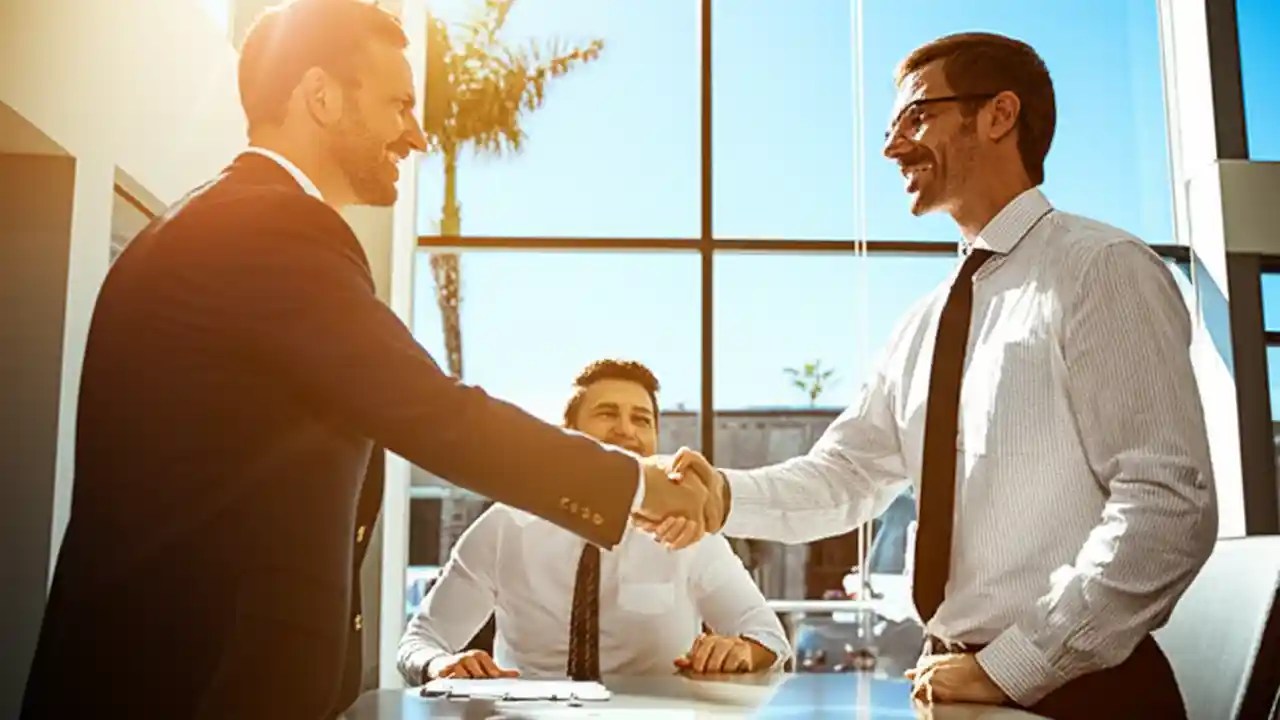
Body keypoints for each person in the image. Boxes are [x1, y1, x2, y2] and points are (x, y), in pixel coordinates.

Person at [19, 2, 714, 718]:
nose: (416, 134)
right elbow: (432, 412)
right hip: (192, 691)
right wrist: (638, 484)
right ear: (321, 96)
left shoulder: (205, 222)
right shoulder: (271, 227)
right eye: (399, 105)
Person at [648, 32, 1216, 720]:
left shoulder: (1102, 269)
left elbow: (1165, 505)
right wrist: (721, 495)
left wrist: (1012, 667)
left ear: (999, 115)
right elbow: (845, 477)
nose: (893, 147)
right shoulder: (924, 323)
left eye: (916, 117)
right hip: (951, 678)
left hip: (1082, 695)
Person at [397, 360, 791, 684]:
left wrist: (741, 651)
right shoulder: (504, 526)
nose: (626, 430)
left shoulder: (687, 533)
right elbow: (419, 642)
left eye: (642, 419)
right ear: (567, 436)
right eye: (607, 413)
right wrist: (440, 664)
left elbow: (770, 639)